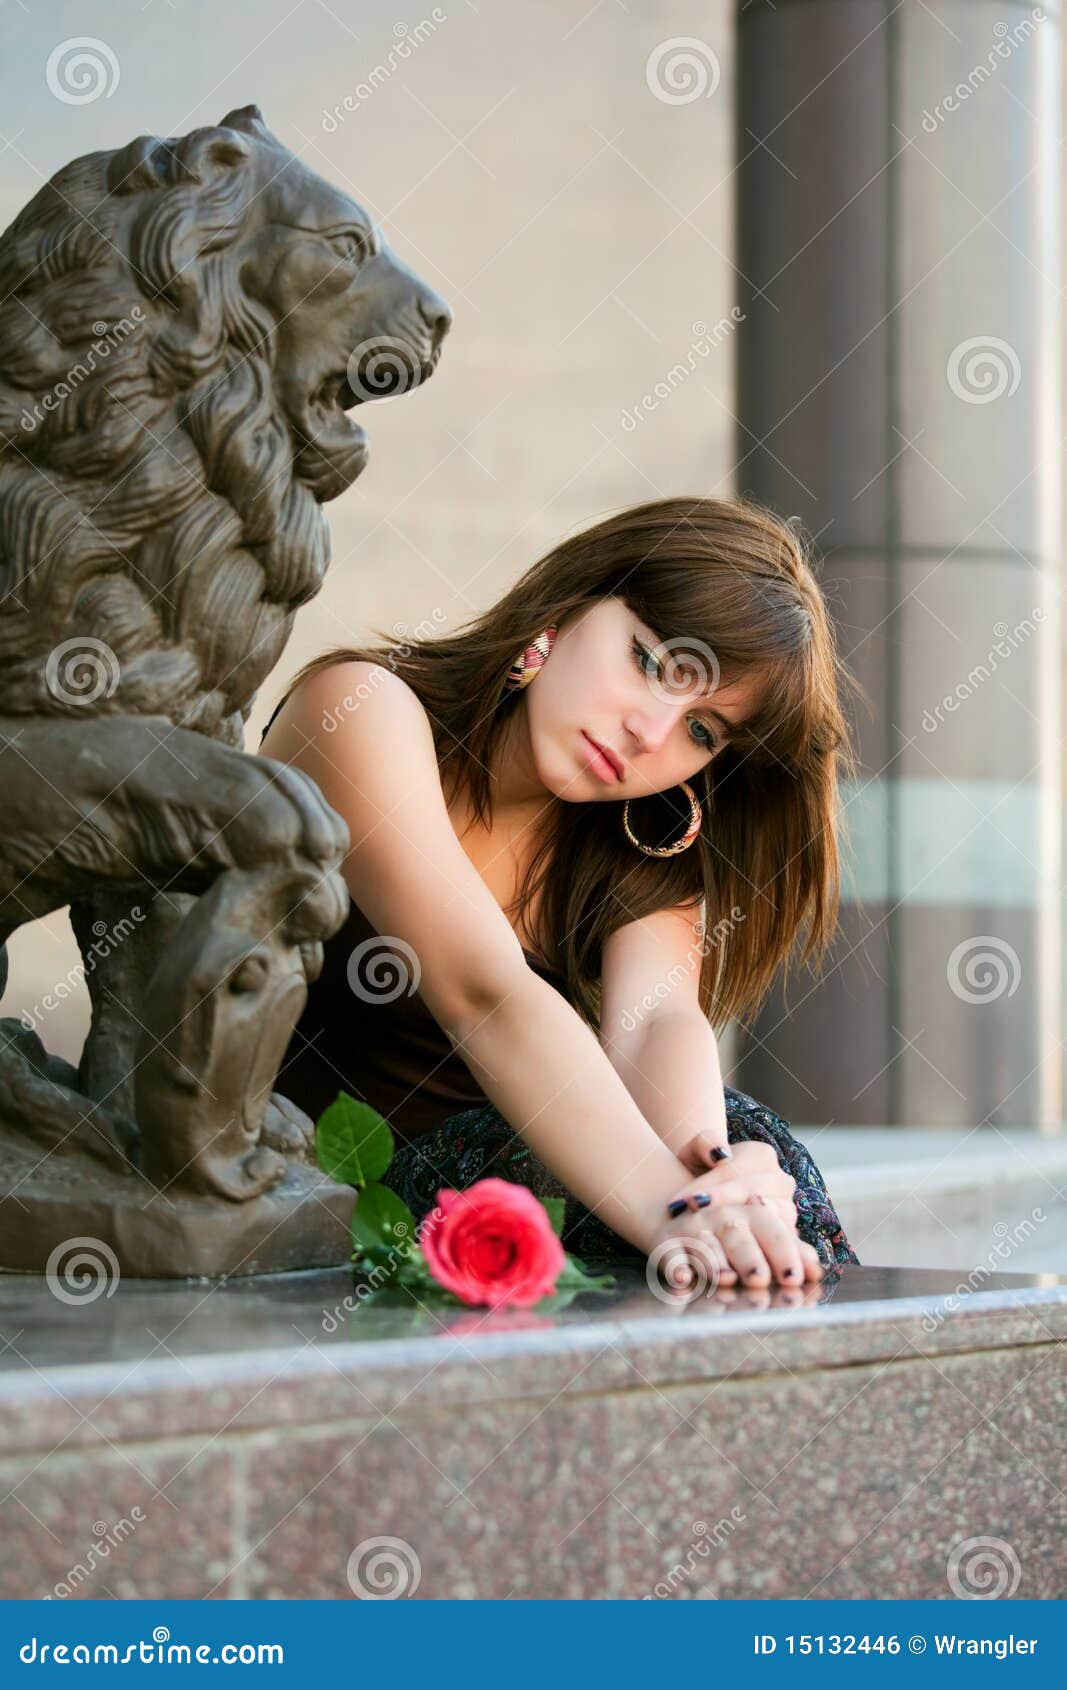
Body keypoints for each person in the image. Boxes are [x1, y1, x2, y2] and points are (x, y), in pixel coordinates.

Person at [258, 494, 862, 1291]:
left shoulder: (640, 842)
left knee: (753, 1145)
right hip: (317, 1200)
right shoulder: (360, 708)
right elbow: (484, 991)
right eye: (649, 661)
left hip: (525, 1216)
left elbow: (655, 1027)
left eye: (702, 731)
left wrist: (717, 1183)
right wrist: (672, 1210)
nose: (651, 732)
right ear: (567, 608)